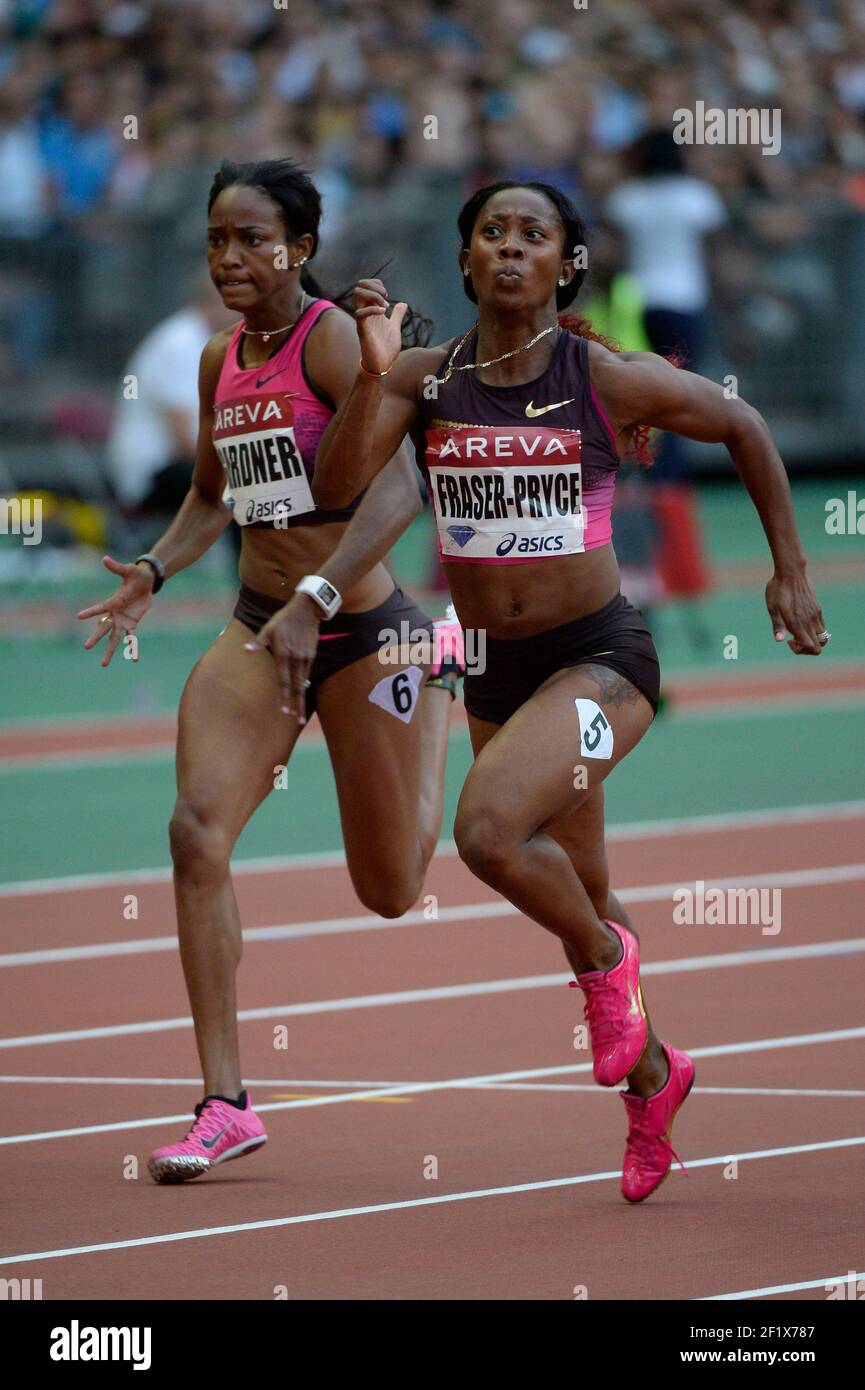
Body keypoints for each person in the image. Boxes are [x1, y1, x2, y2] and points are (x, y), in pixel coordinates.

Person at [312, 180, 829, 1203]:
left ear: (567, 265)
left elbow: (743, 424)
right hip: (497, 674)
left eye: (532, 235)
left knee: (489, 834)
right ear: (464, 263)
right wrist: (375, 371)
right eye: (490, 234)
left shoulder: (604, 378)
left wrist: (790, 568)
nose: (509, 249)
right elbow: (335, 484)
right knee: (579, 882)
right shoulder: (424, 378)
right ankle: (654, 1078)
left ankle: (604, 962)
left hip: (601, 658)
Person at [78, 158, 462, 1184]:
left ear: (298, 246)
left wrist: (318, 599)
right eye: (215, 240)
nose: (229, 257)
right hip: (257, 628)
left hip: (362, 629)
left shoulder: (335, 342)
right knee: (194, 832)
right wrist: (155, 568)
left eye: (251, 238)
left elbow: (396, 495)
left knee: (389, 889)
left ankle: (435, 691)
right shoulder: (216, 360)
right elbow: (214, 494)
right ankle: (225, 1101)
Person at [106, 271, 236, 524]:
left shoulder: (207, 340)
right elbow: (186, 441)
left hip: (178, 464)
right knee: (244, 481)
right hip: (151, 472)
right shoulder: (179, 343)